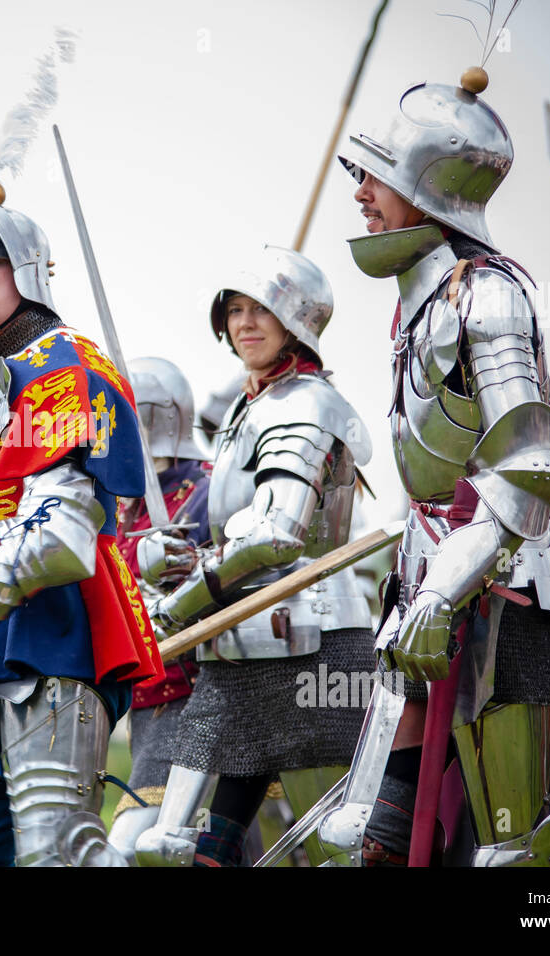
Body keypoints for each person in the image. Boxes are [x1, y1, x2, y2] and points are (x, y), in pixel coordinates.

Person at [325, 69, 550, 866]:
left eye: (374, 176)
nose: (360, 194)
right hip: (426, 587)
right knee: (379, 839)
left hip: (500, 588)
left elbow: (529, 466)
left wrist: (448, 587)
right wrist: (423, 581)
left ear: (428, 188)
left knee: (512, 851)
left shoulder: (491, 297)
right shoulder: (421, 298)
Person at [0, 184, 162, 867]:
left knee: (55, 856)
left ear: (28, 270)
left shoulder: (61, 365)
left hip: (54, 637)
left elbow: (62, 528)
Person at [134, 247, 376, 867]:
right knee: (181, 850)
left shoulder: (307, 402)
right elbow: (236, 540)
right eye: (235, 311)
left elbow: (277, 534)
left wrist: (184, 605)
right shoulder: (251, 407)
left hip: (314, 638)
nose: (245, 323)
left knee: (338, 849)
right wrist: (177, 559)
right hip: (245, 640)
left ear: (296, 319)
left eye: (260, 310)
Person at [105, 357, 211, 863]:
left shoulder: (210, 491)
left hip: (198, 693)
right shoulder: (117, 510)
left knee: (130, 849)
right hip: (142, 702)